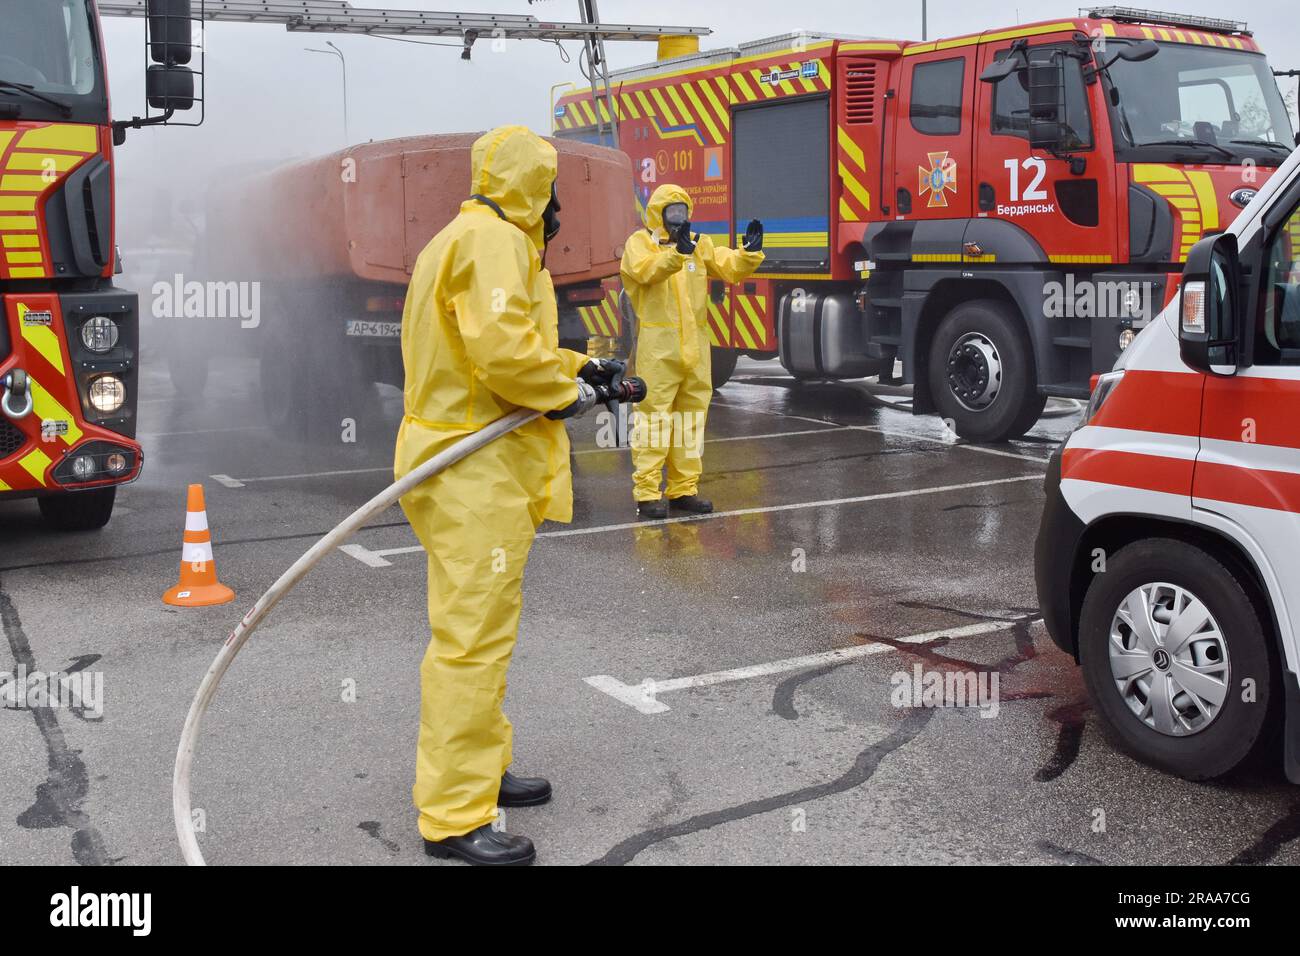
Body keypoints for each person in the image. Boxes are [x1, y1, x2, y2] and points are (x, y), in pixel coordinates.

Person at [394, 125, 622, 866]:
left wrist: (584, 366)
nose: (557, 207)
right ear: (531, 186)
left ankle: (481, 773)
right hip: (473, 470)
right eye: (551, 188)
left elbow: (503, 340)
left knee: (482, 632)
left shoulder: (466, 237)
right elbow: (502, 354)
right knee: (471, 641)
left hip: (461, 461)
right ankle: (455, 817)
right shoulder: (493, 242)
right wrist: (565, 393)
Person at [621, 184, 764, 518]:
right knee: (653, 419)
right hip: (659, 350)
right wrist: (676, 254)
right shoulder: (639, 244)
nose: (677, 218)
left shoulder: (699, 245)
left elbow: (728, 266)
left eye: (682, 211)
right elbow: (645, 272)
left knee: (690, 420)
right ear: (657, 213)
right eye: (670, 212)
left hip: (696, 350)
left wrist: (750, 253)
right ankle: (646, 493)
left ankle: (683, 490)